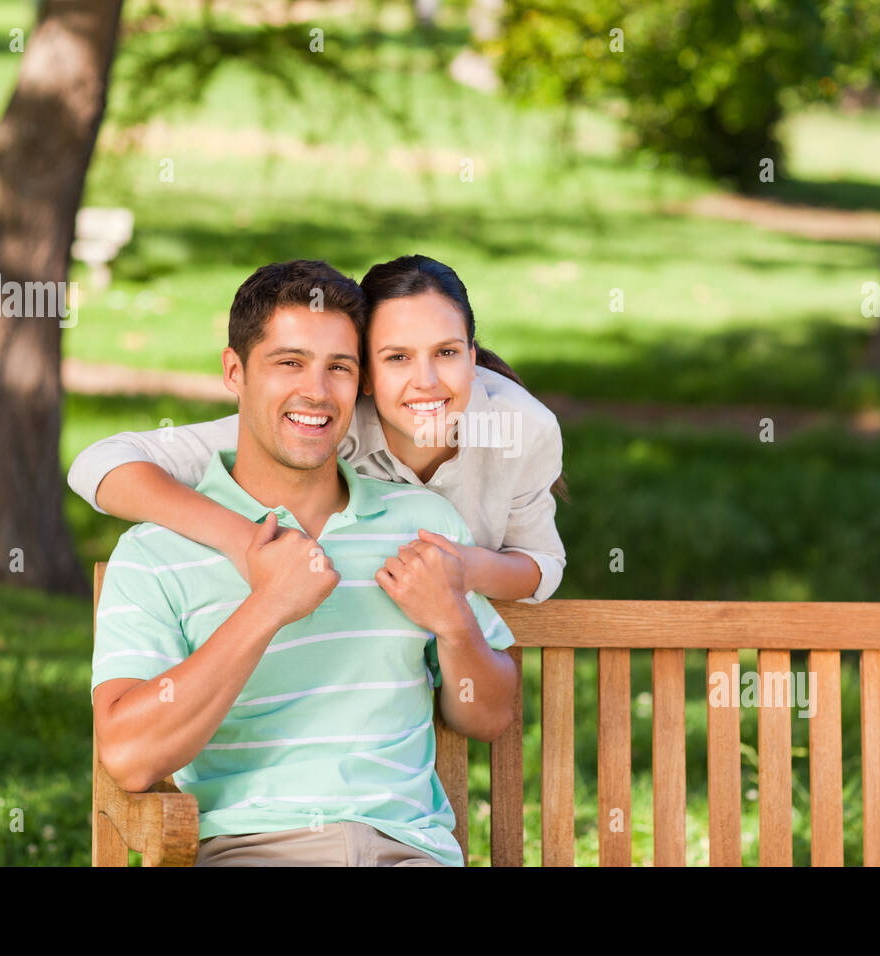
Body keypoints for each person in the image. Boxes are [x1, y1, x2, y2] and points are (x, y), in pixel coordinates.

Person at [91, 260, 518, 867]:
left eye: (338, 368)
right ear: (234, 372)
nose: (316, 391)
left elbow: (491, 714)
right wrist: (268, 605)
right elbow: (130, 758)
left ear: (360, 383)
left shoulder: (423, 523)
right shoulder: (156, 551)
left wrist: (453, 622)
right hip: (253, 850)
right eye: (289, 363)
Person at [67, 254, 567, 605]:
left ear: (472, 357)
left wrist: (463, 571)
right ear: (365, 373)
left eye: (448, 352)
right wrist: (244, 541)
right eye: (397, 357)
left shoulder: (523, 428)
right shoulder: (325, 420)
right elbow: (99, 464)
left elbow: (540, 560)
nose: (427, 381)